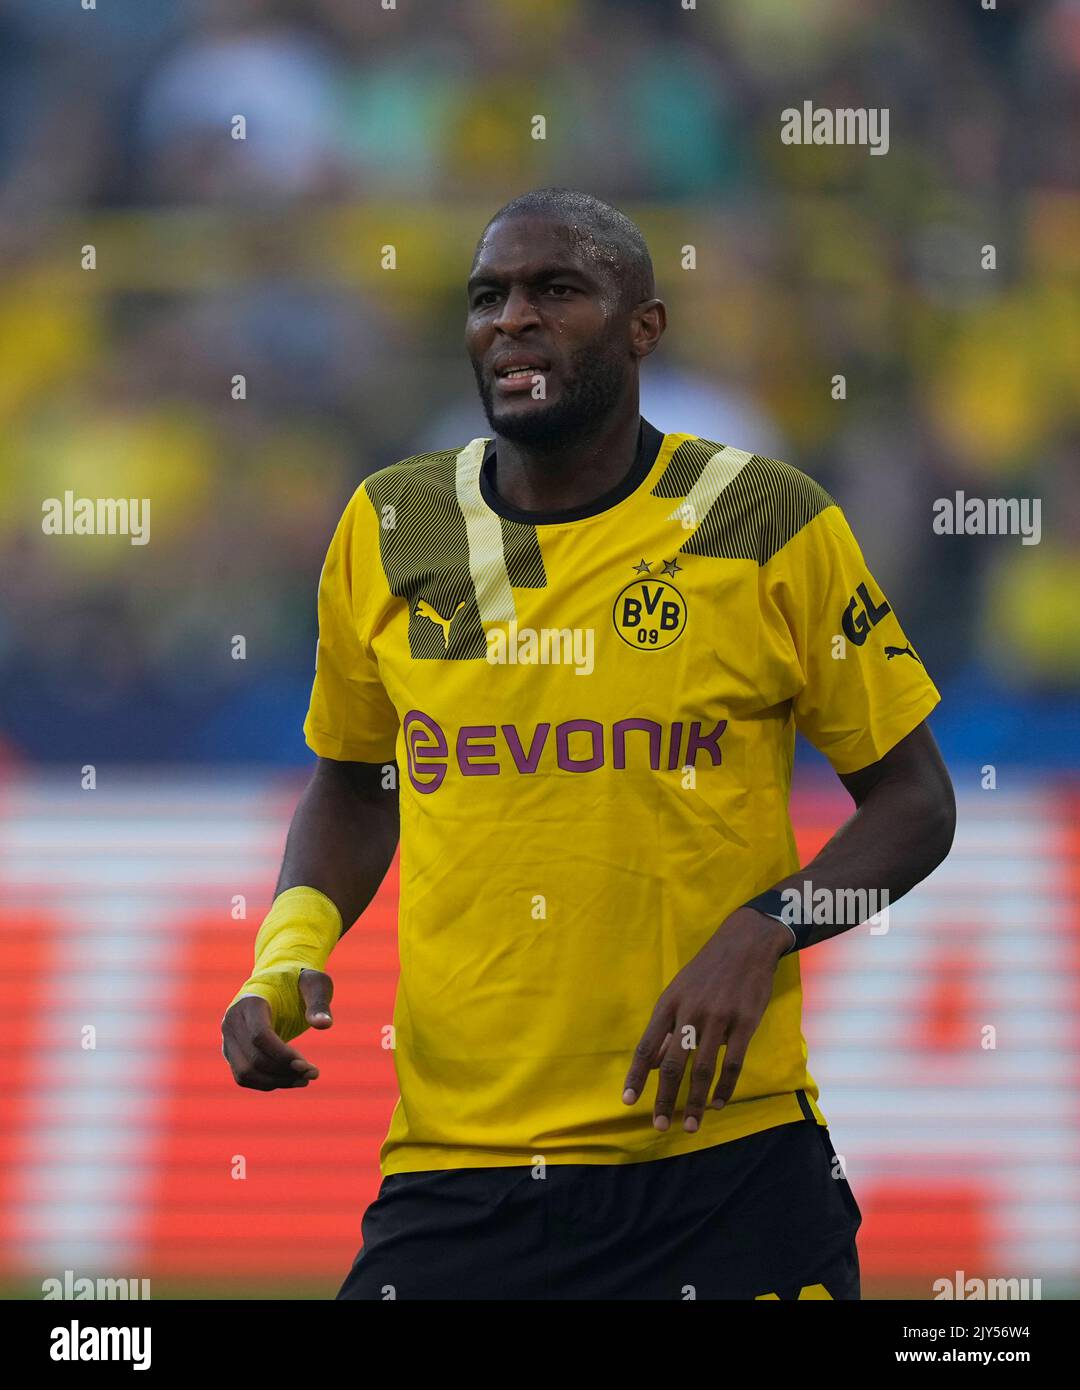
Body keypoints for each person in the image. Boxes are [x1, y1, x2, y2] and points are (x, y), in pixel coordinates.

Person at [221, 187, 956, 1300]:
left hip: (722, 1159)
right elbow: (358, 785)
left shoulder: (763, 519)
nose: (511, 319)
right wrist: (286, 951)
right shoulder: (394, 525)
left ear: (642, 327)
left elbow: (916, 804)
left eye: (555, 291)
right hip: (461, 1169)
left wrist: (764, 931)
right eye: (488, 297)